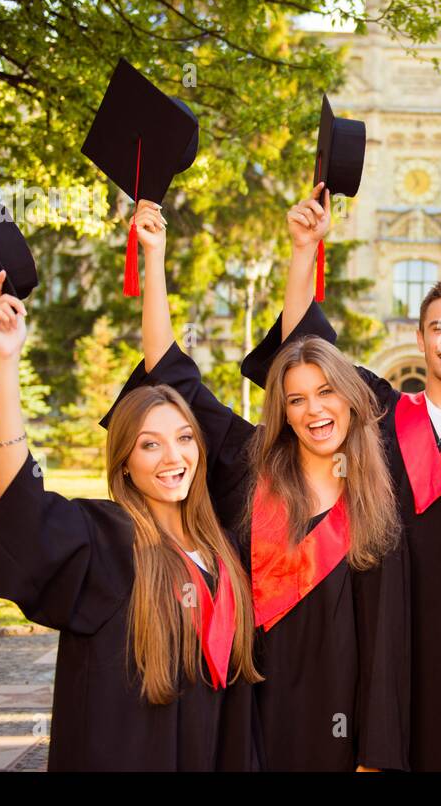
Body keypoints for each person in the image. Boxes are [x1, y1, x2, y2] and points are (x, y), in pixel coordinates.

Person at [102, 202, 408, 771]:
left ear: (351, 399)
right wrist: (155, 257)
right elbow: (171, 373)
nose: (314, 410)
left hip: (340, 729)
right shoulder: (250, 469)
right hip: (244, 711)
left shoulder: (376, 504)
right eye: (296, 399)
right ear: (282, 411)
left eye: (326, 393)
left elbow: (386, 649)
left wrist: (375, 756)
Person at [241, 183, 441, 771]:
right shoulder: (384, 412)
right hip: (376, 648)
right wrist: (304, 251)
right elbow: (306, 347)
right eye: (440, 328)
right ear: (421, 339)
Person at [0, 271, 261, 771]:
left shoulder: (223, 548)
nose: (173, 457)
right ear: (124, 462)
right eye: (149, 444)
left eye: (185, 438)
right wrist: (6, 364)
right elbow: (24, 510)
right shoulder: (105, 540)